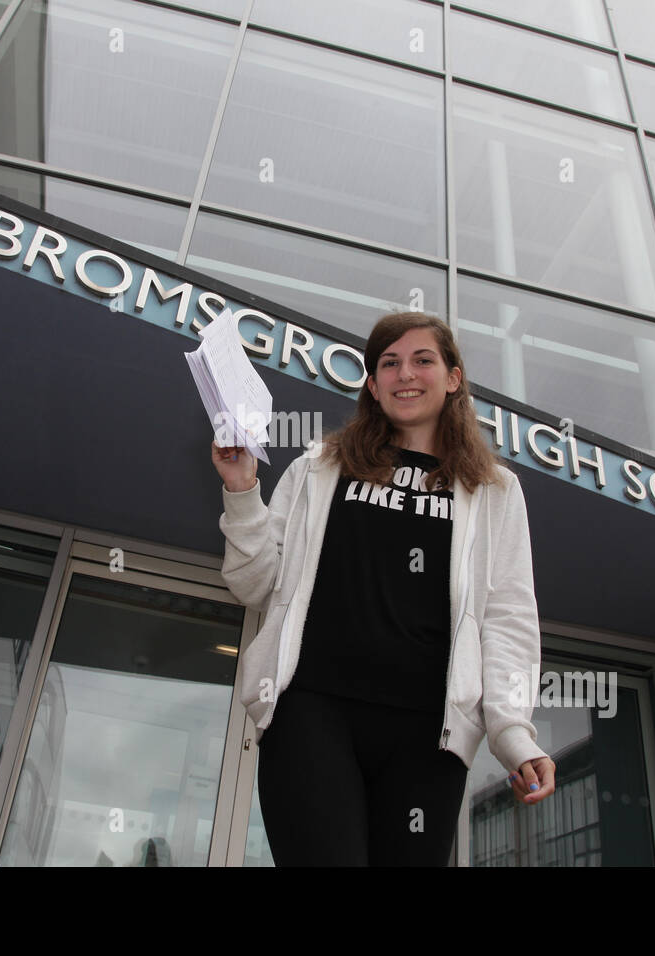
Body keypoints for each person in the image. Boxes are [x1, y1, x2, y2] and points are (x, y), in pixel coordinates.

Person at [211, 311, 555, 866]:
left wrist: (513, 732)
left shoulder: (493, 490)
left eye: (423, 360)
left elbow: (509, 615)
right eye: (388, 364)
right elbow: (253, 584)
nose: (405, 374)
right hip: (312, 713)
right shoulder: (320, 468)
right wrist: (243, 490)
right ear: (372, 384)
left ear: (453, 377)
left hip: (430, 735)